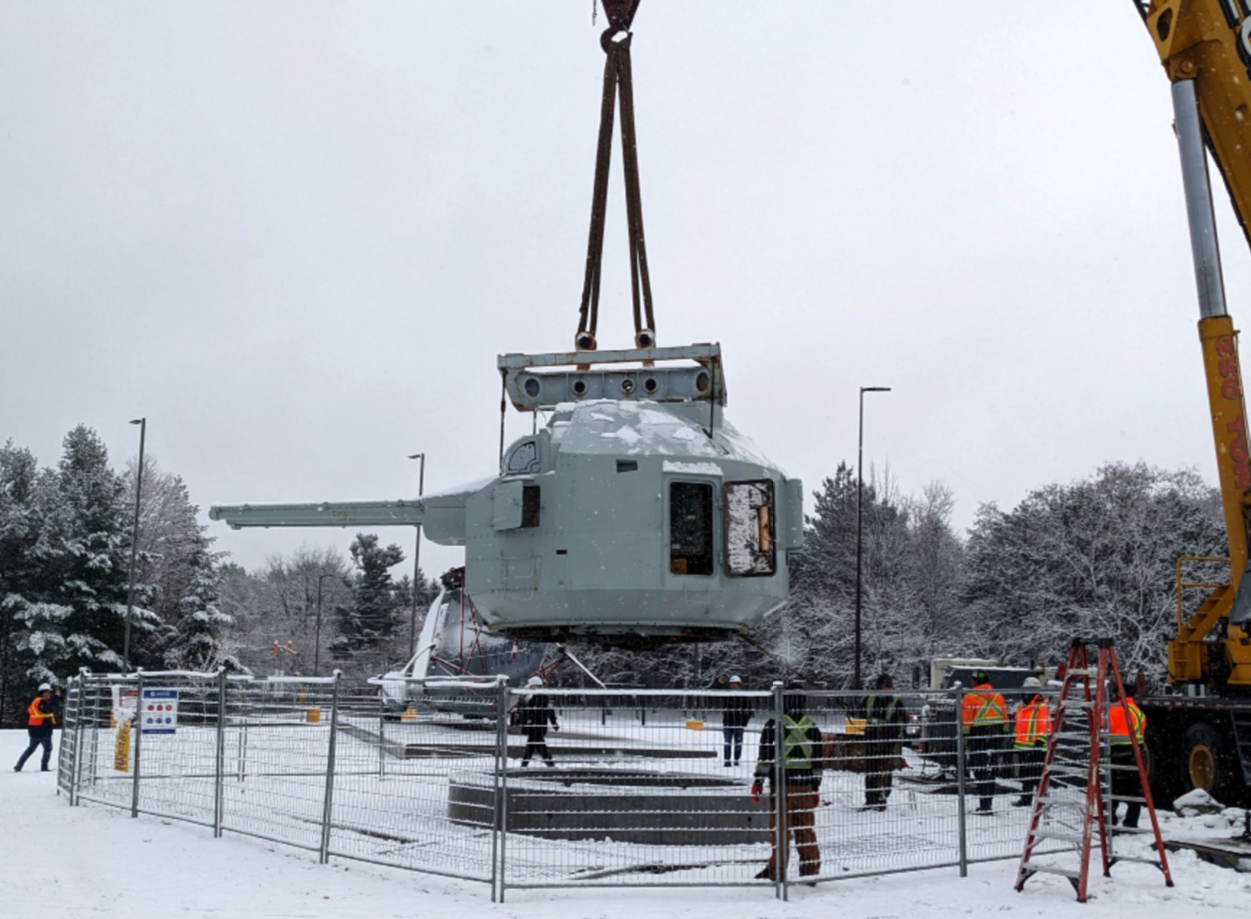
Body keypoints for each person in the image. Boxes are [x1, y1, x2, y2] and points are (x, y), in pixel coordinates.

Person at [750, 682, 822, 881]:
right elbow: (817, 762)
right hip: (805, 787)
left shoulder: (774, 724)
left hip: (781, 785)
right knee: (805, 831)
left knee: (780, 832)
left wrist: (758, 781)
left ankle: (777, 872)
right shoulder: (812, 727)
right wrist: (815, 788)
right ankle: (810, 871)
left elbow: (765, 756)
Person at [961, 671, 1008, 815]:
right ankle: (988, 803)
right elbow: (1004, 716)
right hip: (995, 736)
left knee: (980, 770)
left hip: (978, 736)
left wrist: (964, 735)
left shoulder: (970, 696)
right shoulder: (998, 696)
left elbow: (966, 718)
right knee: (991, 771)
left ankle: (984, 804)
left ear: (976, 682)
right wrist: (1004, 733)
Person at [860, 673, 907, 811]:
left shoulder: (895, 703)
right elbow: (859, 714)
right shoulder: (869, 700)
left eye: (890, 685)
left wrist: (897, 733)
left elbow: (902, 720)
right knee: (871, 770)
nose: (889, 688)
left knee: (884, 769)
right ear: (879, 686)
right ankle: (870, 800)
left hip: (887, 741)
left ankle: (882, 798)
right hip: (871, 739)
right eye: (886, 685)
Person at [1108, 682, 1147, 829]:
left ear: (1119, 693)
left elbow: (1102, 726)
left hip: (1118, 755)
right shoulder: (1137, 711)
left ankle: (1110, 820)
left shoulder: (1115, 710)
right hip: (1134, 756)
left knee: (1112, 790)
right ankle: (1131, 822)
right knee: (1134, 791)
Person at [1012, 677, 1050, 807]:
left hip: (1035, 747)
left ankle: (1043, 800)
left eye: (1027, 690)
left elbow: (1044, 725)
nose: (1025, 693)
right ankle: (1026, 799)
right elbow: (1019, 724)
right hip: (1023, 746)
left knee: (1037, 775)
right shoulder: (1023, 706)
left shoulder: (1041, 706)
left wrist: (1040, 740)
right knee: (1025, 775)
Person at [513, 675, 558, 767]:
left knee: (536, 746)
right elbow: (522, 711)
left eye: (531, 686)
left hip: (537, 726)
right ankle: (548, 763)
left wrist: (554, 722)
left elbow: (549, 711)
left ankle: (527, 763)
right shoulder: (528, 697)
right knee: (535, 746)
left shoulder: (541, 698)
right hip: (533, 726)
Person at [14, 683, 57, 773]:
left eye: (49, 692)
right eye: (47, 692)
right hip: (43, 730)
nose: (49, 694)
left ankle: (19, 765)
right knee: (48, 749)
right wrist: (56, 698)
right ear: (42, 693)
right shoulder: (42, 702)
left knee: (31, 749)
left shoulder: (35, 701)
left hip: (34, 730)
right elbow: (49, 709)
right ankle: (44, 767)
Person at [722, 675, 753, 766]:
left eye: (735, 684)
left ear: (739, 685)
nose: (733, 686)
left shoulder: (744, 696)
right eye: (732, 684)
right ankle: (727, 760)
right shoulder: (727, 695)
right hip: (727, 722)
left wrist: (744, 721)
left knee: (738, 742)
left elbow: (749, 710)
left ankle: (736, 759)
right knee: (727, 742)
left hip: (738, 722)